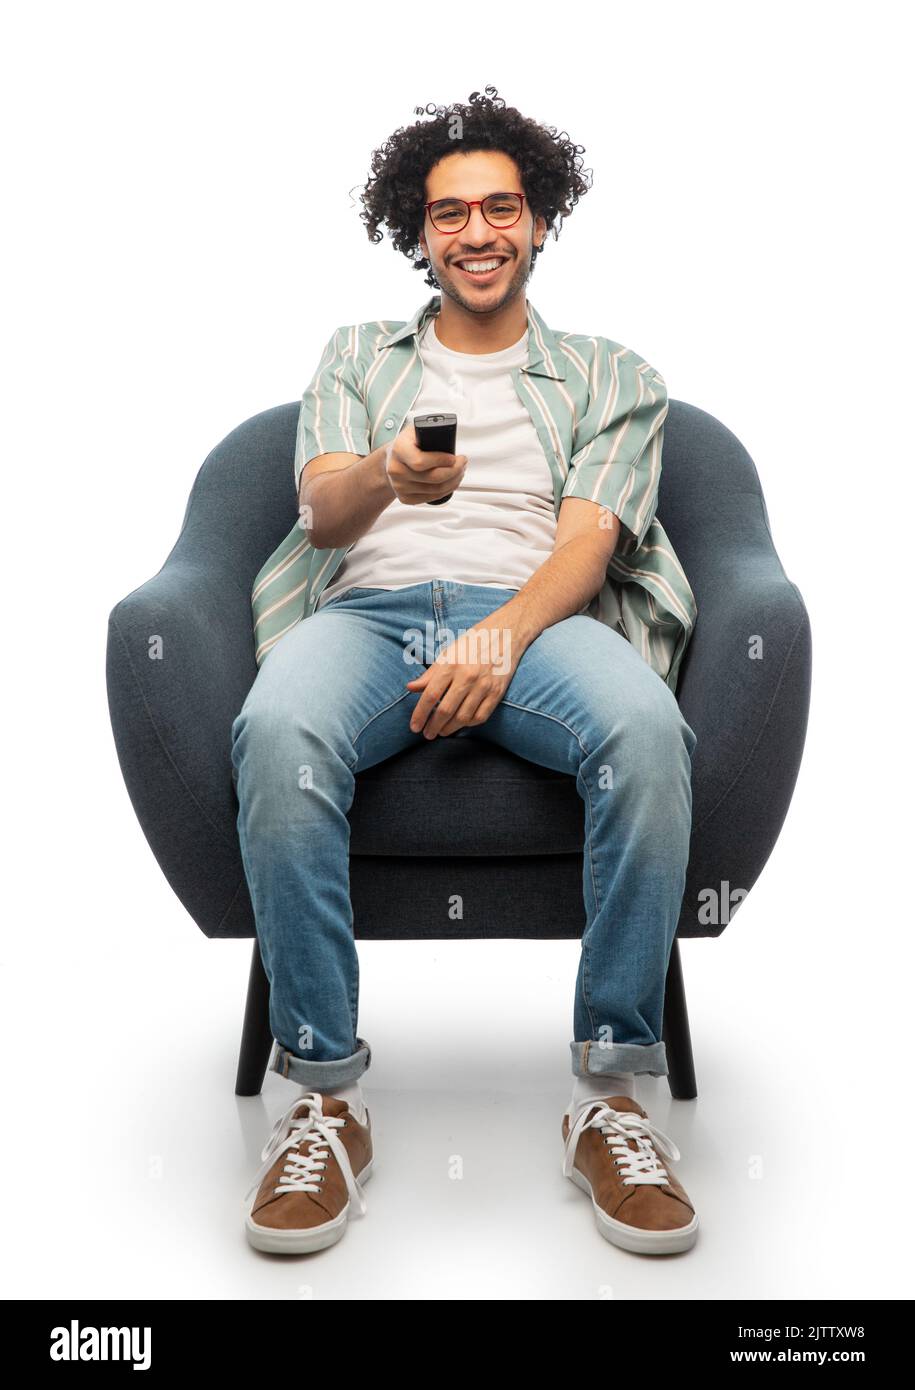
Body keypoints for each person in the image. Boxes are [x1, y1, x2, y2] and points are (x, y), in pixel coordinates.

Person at [232, 87, 700, 1258]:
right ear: (419, 231)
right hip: (371, 614)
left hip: (534, 611)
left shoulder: (609, 371)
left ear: (539, 222)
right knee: (280, 729)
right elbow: (324, 516)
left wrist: (504, 636)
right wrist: (390, 472)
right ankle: (326, 1102)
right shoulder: (355, 356)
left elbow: (591, 542)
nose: (477, 231)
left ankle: (612, 1094)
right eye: (450, 213)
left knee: (647, 733)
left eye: (501, 207)